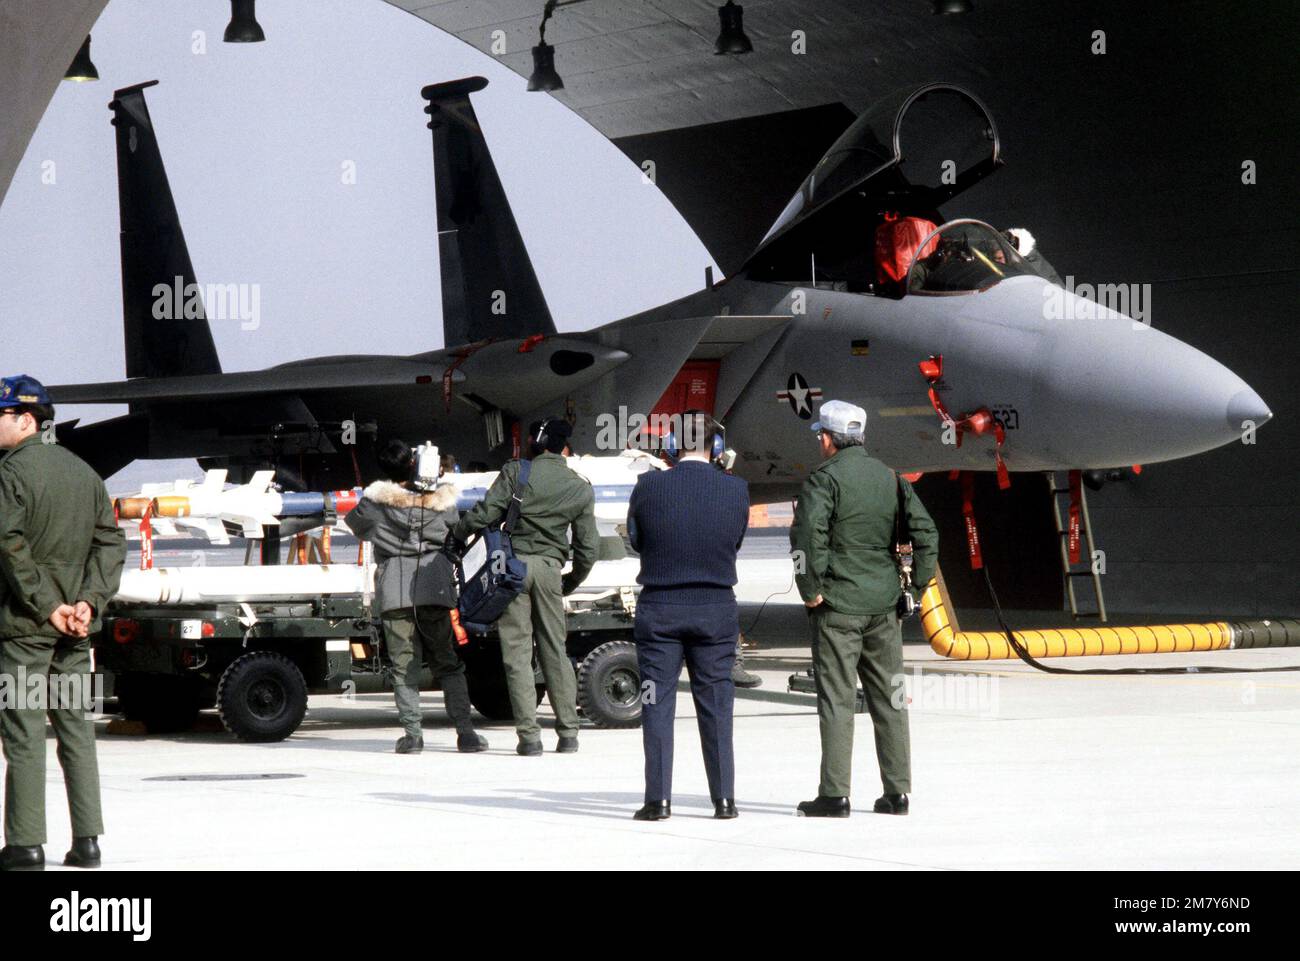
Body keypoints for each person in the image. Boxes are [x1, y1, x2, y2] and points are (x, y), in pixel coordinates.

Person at [0, 375, 125, 871]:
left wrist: (46, 604)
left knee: (24, 733)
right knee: (77, 729)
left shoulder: (11, 474)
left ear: (26, 419)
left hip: (26, 629)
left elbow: (9, 544)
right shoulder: (85, 473)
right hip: (75, 632)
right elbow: (110, 543)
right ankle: (87, 842)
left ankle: (26, 845)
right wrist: (88, 603)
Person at [789, 400, 938, 818]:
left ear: (828, 438)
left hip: (838, 604)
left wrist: (809, 587)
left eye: (821, 434)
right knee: (889, 699)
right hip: (884, 605)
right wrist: (919, 585)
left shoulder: (824, 479)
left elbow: (807, 537)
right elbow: (927, 533)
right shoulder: (890, 479)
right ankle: (897, 793)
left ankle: (835, 795)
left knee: (837, 700)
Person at [626, 411, 749, 820]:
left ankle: (658, 800)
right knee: (717, 705)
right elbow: (735, 542)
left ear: (673, 446)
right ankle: (724, 800)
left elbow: (637, 540)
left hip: (660, 608)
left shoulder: (648, 486)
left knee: (656, 704)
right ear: (716, 448)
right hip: (716, 609)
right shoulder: (737, 490)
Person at [451, 417, 599, 756]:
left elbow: (486, 513)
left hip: (511, 569)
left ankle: (529, 738)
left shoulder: (516, 471)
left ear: (538, 440)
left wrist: (457, 534)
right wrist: (569, 582)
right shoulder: (579, 486)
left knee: (517, 653)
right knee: (555, 651)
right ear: (564, 446)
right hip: (550, 571)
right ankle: (568, 734)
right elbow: (587, 549)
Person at [345, 439, 488, 755]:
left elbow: (354, 523)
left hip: (395, 588)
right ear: (415, 463)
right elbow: (455, 529)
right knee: (448, 664)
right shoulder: (442, 498)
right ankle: (466, 734)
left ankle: (413, 735)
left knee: (403, 667)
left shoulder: (374, 503)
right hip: (435, 585)